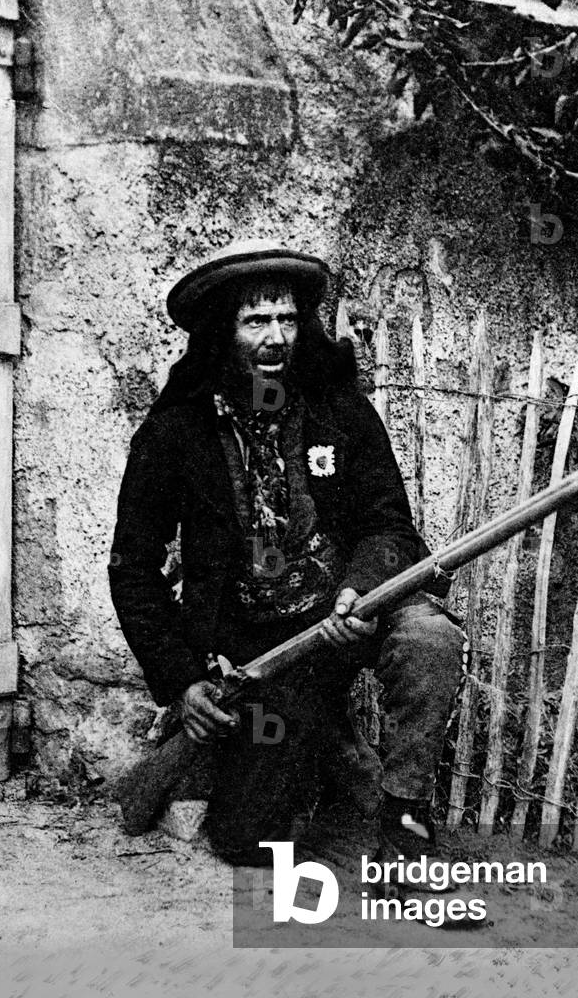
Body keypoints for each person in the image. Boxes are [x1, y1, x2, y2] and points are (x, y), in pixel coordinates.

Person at [108, 239, 465, 877]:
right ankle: (329, 757)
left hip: (349, 617)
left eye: (288, 319)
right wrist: (185, 680)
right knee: (249, 839)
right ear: (223, 333)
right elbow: (133, 569)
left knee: (429, 636)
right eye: (256, 321)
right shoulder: (174, 434)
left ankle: (405, 823)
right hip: (261, 654)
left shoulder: (343, 414)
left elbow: (390, 526)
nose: (276, 338)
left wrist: (358, 588)